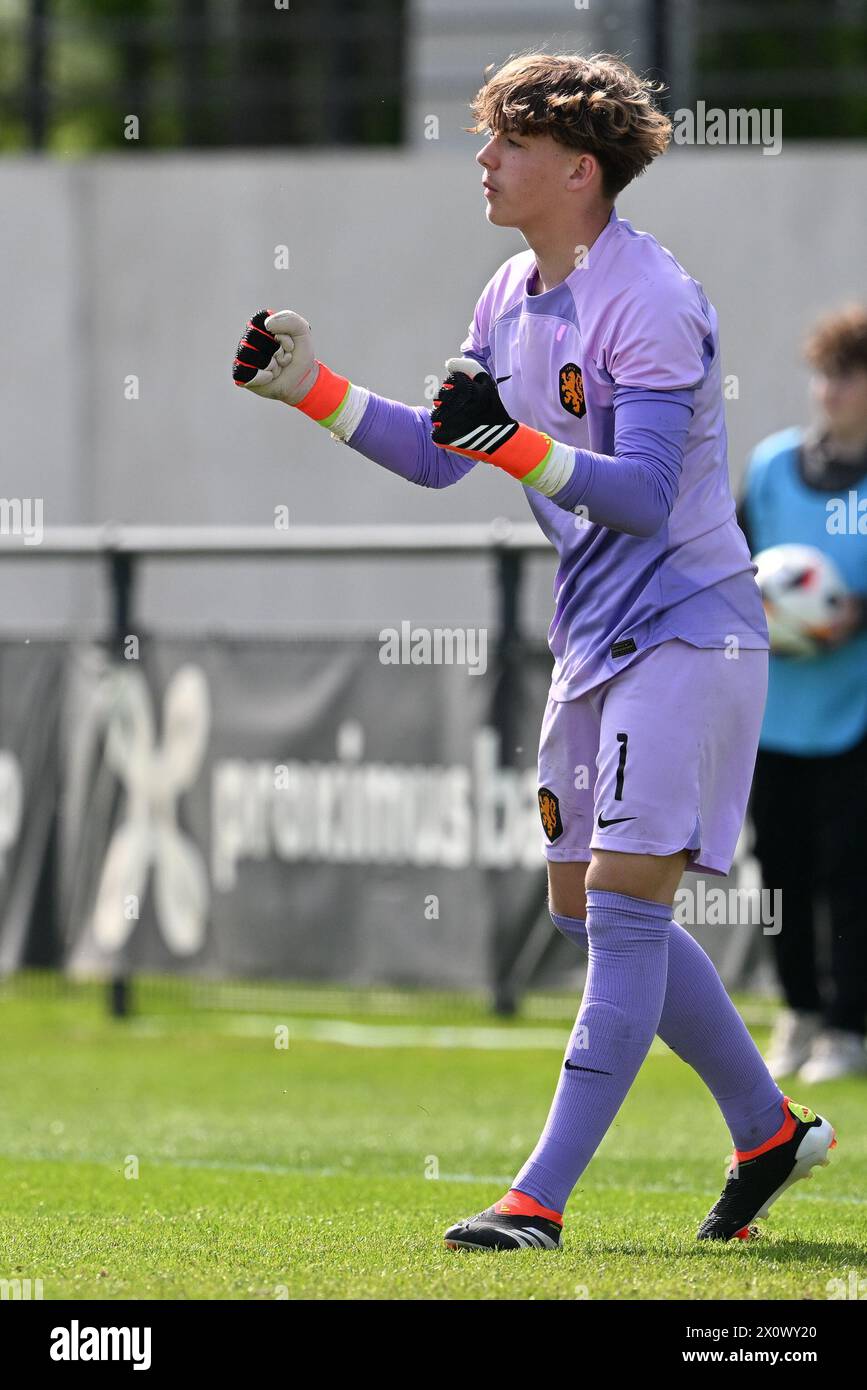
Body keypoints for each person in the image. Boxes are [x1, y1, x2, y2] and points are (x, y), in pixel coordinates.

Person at [231, 51, 837, 1250]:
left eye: (505, 141)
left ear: (578, 168)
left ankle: (536, 1199)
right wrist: (316, 388)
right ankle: (769, 1130)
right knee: (586, 910)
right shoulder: (509, 294)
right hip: (594, 633)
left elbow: (647, 497)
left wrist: (511, 442)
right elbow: (445, 451)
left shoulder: (651, 298)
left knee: (616, 912)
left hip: (690, 629)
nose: (482, 159)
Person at [740, 305, 867, 1083]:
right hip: (772, 706)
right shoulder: (770, 467)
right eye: (823, 373)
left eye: (847, 374)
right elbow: (728, 563)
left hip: (855, 710)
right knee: (778, 868)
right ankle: (799, 1012)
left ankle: (849, 1029)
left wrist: (854, 615)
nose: (829, 389)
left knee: (850, 870)